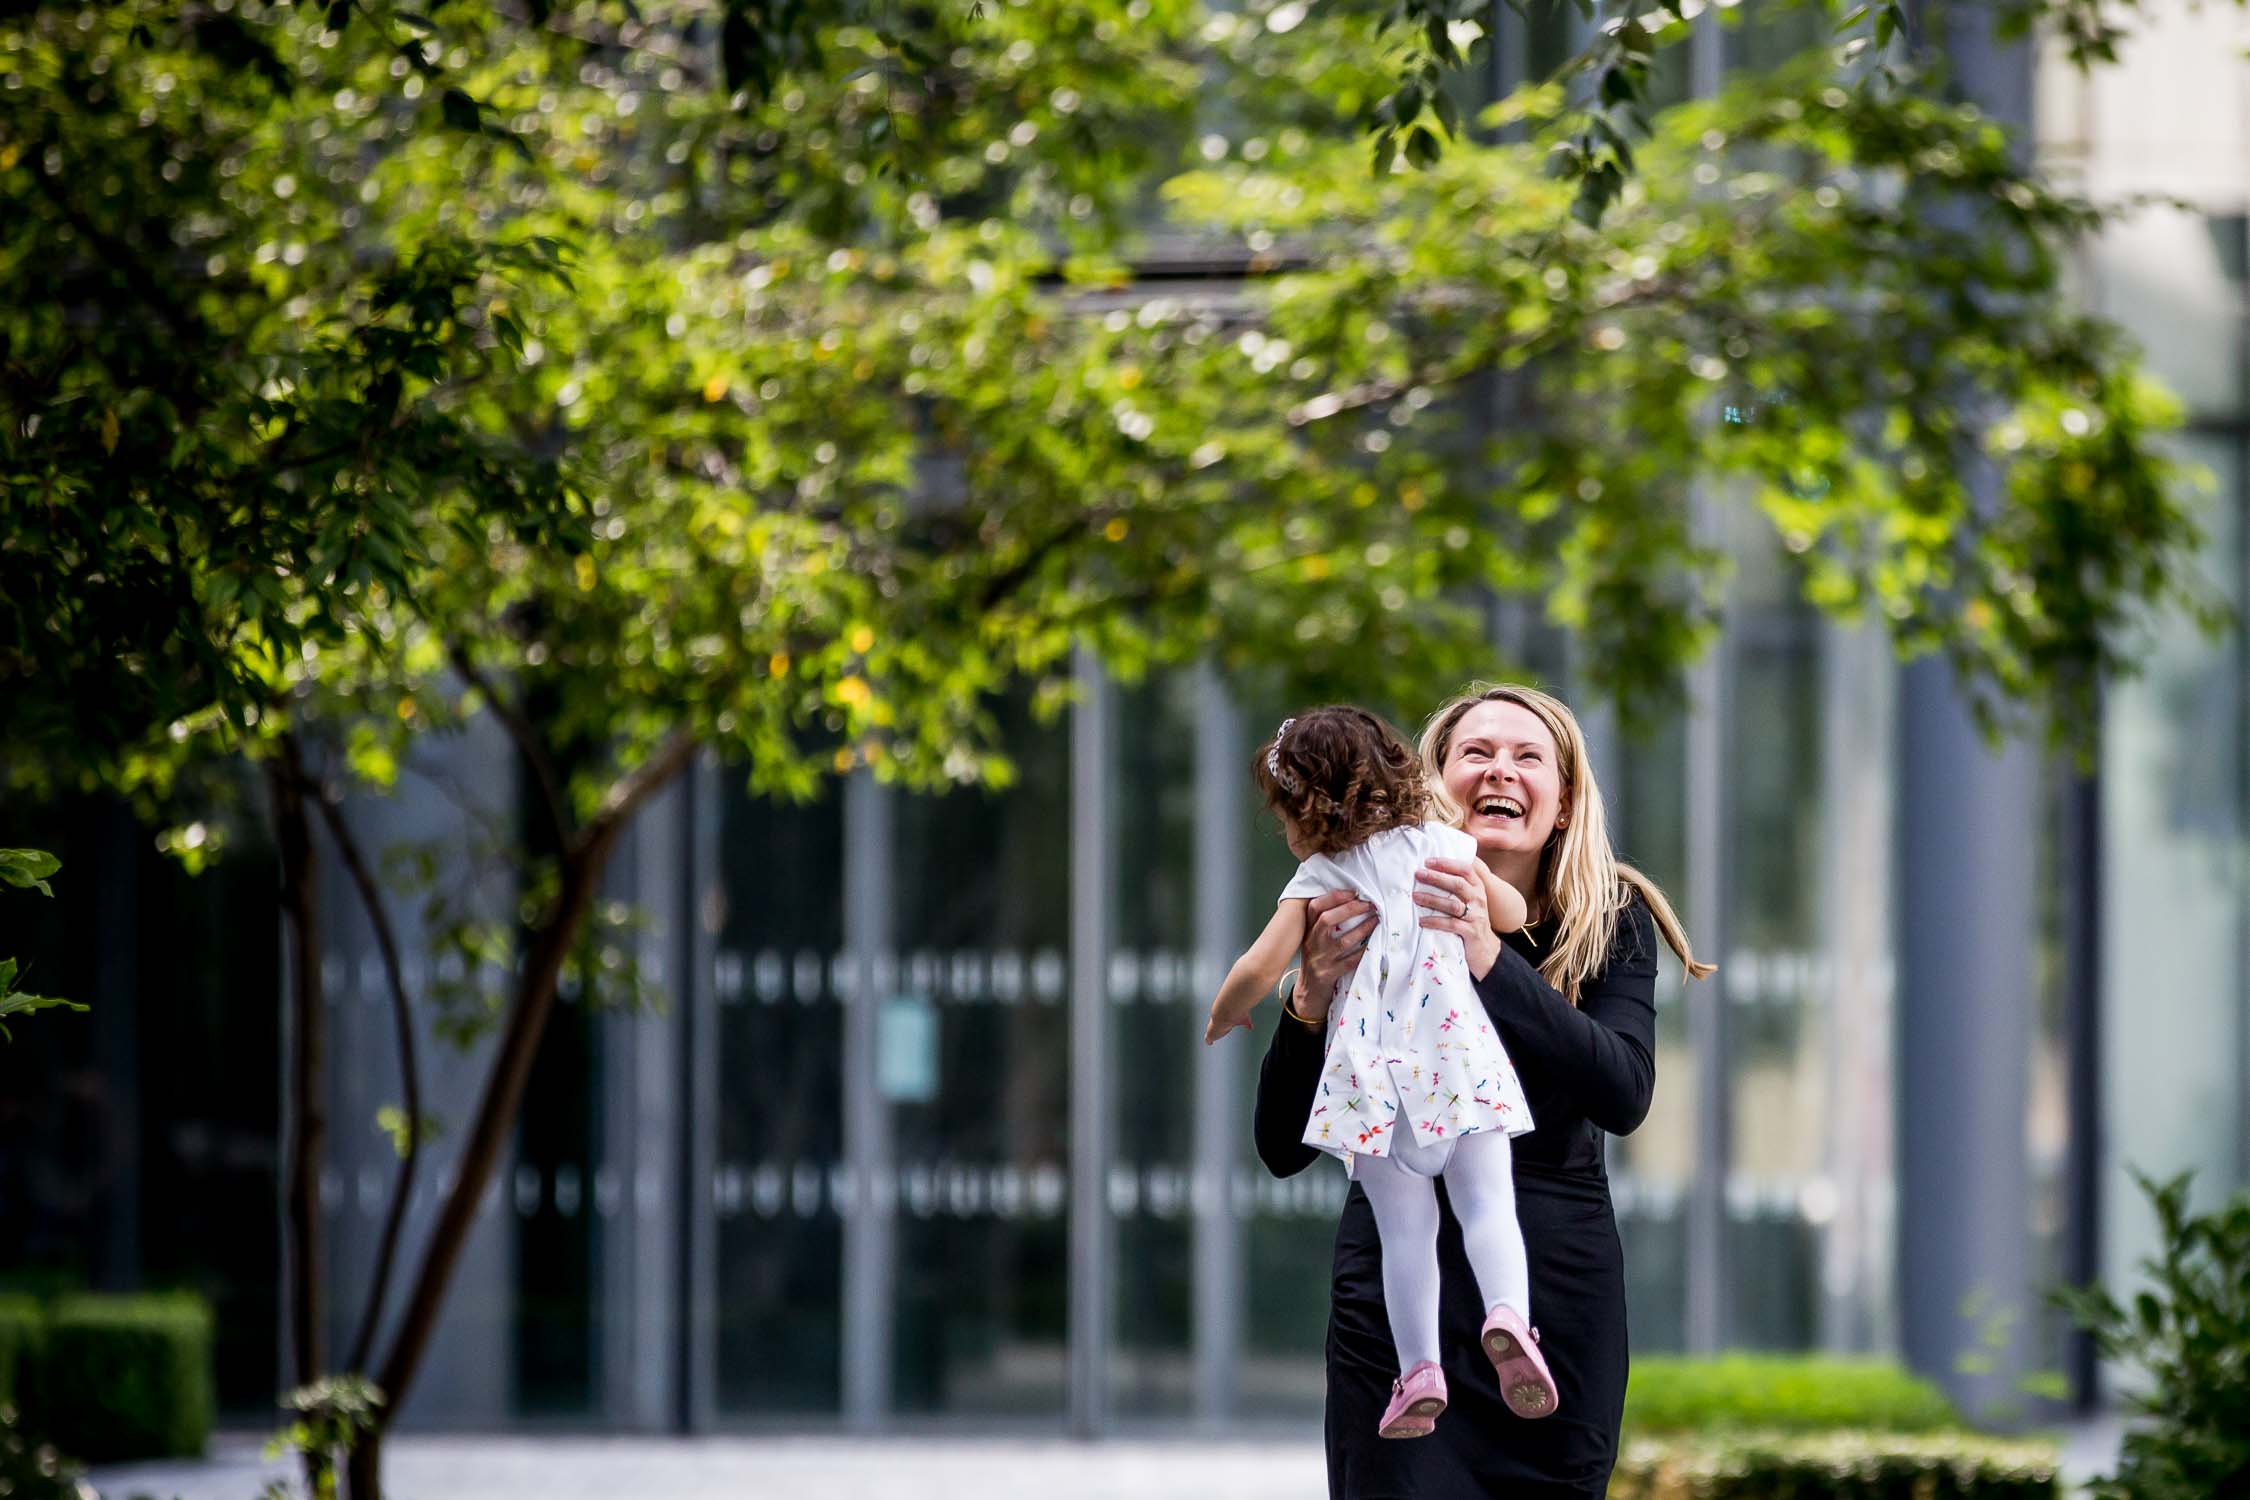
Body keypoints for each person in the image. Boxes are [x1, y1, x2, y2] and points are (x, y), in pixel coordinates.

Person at [1255, 683, 1713, 1499]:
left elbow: (1623, 1091)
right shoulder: (1356, 907)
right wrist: (1309, 1000)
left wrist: (1488, 957)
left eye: (1527, 756)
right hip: (1398, 1325)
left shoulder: (1610, 917)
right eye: (1477, 753)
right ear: (1434, 786)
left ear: (1563, 802)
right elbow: (1281, 1148)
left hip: (1550, 1305)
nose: (1501, 770)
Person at [1203, 705, 1557, 1439]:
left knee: (1405, 1232)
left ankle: (1419, 1370)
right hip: (1456, 1067)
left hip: (1376, 1089)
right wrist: (1485, 899)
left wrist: (1227, 1012)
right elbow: (1513, 908)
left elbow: (1257, 966)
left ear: (1305, 811)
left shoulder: (1320, 876)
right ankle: (1510, 1318)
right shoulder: (1444, 846)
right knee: (1490, 1204)